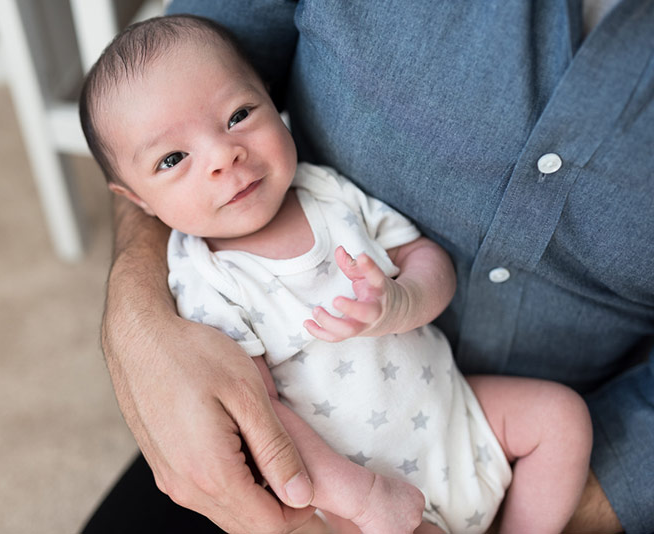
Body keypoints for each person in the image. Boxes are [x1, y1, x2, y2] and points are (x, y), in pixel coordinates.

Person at [80, 1, 654, 533]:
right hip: (357, 491)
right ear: (136, 200)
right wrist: (360, 497)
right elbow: (261, 416)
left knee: (561, 419)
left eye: (238, 114)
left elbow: (420, 258)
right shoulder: (203, 280)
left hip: (459, 412)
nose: (222, 155)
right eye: (173, 159)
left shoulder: (325, 192)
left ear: (268, 96)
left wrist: (402, 301)